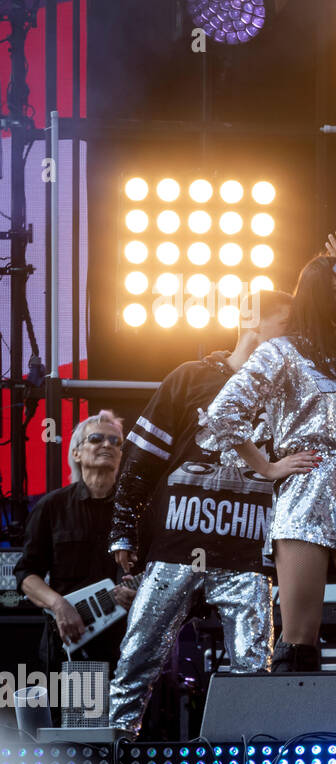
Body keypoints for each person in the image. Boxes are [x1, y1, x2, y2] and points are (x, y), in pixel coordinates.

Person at [205, 255, 336, 672]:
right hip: (306, 492)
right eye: (335, 292)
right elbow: (223, 411)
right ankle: (298, 735)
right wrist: (267, 467)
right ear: (314, 296)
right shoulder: (280, 351)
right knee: (300, 633)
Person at [106, 290, 292, 735]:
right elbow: (141, 462)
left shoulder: (290, 391)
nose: (295, 338)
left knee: (253, 668)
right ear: (255, 324)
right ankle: (112, 754)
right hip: (177, 543)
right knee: (137, 656)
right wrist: (123, 532)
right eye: (288, 326)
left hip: (247, 553)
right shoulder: (189, 377)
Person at [15, 411, 135, 676]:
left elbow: (154, 571)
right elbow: (26, 574)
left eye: (116, 442)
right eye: (96, 438)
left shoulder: (136, 512)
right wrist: (59, 605)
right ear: (77, 453)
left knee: (124, 718)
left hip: (125, 645)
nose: (108, 445)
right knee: (77, 716)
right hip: (69, 644)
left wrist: (138, 594)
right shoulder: (52, 507)